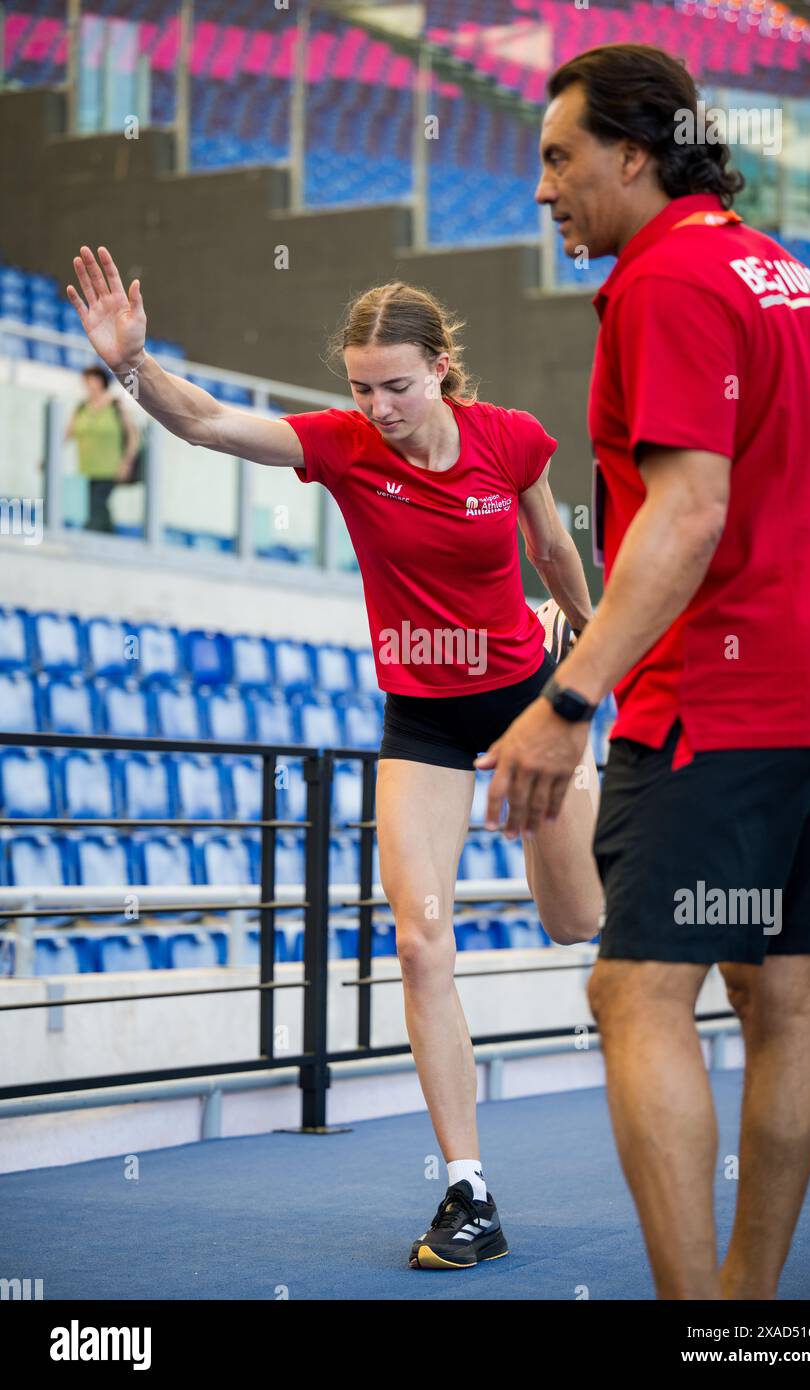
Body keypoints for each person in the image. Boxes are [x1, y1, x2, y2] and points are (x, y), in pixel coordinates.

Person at [66, 245, 604, 1271]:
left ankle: (581, 817)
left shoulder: (512, 441)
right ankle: (468, 1189)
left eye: (395, 385)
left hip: (527, 703)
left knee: (574, 917)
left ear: (441, 367)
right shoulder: (346, 447)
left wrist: (585, 653)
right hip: (424, 722)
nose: (379, 405)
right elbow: (209, 422)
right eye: (360, 387)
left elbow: (551, 550)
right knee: (417, 941)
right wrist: (133, 367)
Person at [477, 42, 810, 1299]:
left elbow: (685, 516)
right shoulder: (784, 271)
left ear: (632, 157)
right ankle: (744, 1321)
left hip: (722, 699)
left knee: (635, 990)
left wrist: (565, 698)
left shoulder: (668, 282)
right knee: (782, 995)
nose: (542, 188)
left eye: (558, 157)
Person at [64, 364, 139, 533]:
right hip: (86, 468)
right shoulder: (81, 408)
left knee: (97, 506)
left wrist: (127, 462)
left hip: (109, 469)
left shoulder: (116, 406)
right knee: (95, 507)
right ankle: (109, 537)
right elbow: (66, 435)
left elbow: (133, 436)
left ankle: (94, 538)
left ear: (100, 382)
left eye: (91, 380)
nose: (88, 385)